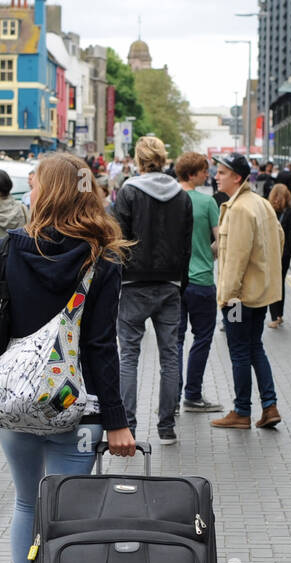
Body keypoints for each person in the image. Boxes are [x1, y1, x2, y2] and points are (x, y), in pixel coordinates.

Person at [0, 151, 136, 563]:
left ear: (45, 192)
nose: (28, 192)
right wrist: (117, 423)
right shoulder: (104, 260)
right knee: (70, 511)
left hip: (17, 399)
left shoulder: (8, 250)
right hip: (73, 406)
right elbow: (100, 348)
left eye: (33, 184)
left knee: (25, 502)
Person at [111, 136, 193, 446]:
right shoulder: (181, 196)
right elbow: (185, 246)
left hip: (133, 285)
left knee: (128, 356)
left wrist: (116, 281)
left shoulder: (129, 192)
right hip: (170, 285)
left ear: (138, 159)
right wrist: (180, 282)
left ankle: (127, 425)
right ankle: (166, 427)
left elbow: (118, 242)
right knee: (170, 357)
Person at [209, 152, 283, 432]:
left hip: (239, 297)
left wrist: (226, 297)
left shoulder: (239, 209)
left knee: (239, 352)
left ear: (237, 177)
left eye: (222, 172)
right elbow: (279, 239)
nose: (217, 176)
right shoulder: (261, 204)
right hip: (259, 293)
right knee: (255, 347)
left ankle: (242, 411)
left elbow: (236, 259)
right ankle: (269, 405)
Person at [173, 152, 224, 411]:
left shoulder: (169, 200)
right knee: (202, 337)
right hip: (202, 280)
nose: (208, 175)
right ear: (192, 174)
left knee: (176, 340)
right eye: (204, 171)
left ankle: (170, 399)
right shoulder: (207, 203)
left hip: (173, 283)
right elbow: (220, 241)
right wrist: (207, 251)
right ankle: (192, 395)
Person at [267, 182, 291, 328]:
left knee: (273, 283)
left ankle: (274, 317)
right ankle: (280, 314)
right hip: (284, 254)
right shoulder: (290, 212)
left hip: (271, 252)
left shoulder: (268, 210)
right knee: (280, 283)